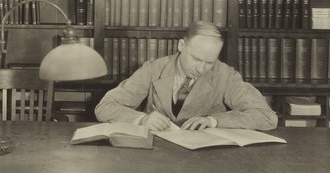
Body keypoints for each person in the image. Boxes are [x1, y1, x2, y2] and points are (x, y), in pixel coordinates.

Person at [95, 21, 277, 131]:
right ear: (181, 46)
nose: (201, 68)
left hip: (207, 162)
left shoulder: (225, 75)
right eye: (196, 59)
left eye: (209, 62)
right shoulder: (153, 69)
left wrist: (214, 121)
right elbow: (105, 107)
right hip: (155, 156)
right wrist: (142, 120)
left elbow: (267, 117)